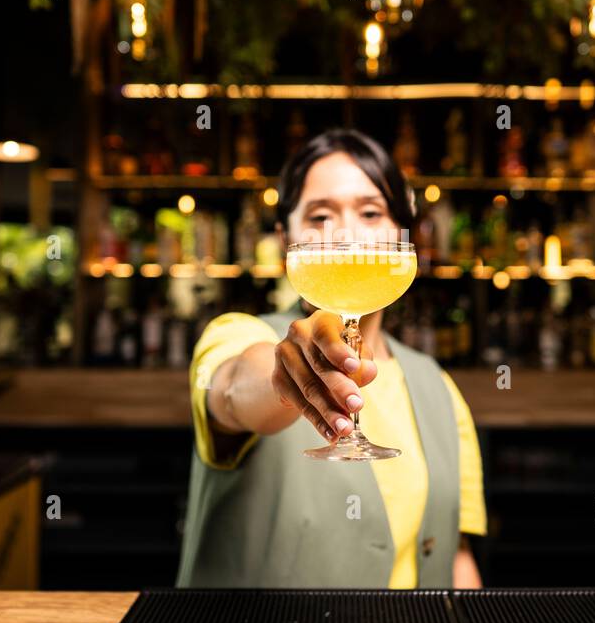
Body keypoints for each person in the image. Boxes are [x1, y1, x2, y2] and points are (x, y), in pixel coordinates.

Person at [176, 128, 487, 588]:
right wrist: (284, 374)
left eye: (371, 212)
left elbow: (456, 560)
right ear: (286, 239)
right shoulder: (237, 334)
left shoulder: (438, 387)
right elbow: (234, 388)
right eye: (321, 216)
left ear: (406, 238)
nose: (346, 235)